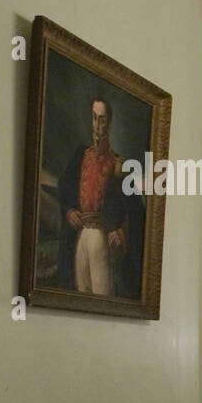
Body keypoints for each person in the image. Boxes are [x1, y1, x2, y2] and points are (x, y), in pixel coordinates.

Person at [55, 97, 143, 297]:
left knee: (102, 296)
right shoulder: (81, 156)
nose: (97, 125)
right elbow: (64, 186)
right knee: (81, 295)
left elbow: (136, 210)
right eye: (94, 118)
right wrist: (69, 210)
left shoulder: (119, 165)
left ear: (109, 124)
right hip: (81, 235)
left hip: (100, 237)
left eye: (102, 120)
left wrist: (122, 232)